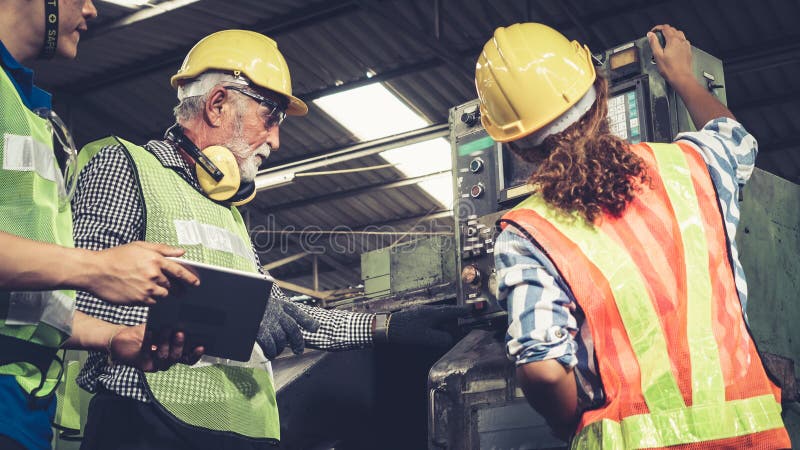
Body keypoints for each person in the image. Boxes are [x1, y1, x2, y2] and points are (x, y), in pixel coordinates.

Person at [71, 29, 467, 450]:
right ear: (218, 104)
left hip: (241, 432)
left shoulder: (227, 213)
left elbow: (286, 317)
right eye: (270, 117)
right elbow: (82, 298)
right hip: (147, 426)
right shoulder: (126, 166)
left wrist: (385, 326)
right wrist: (229, 313)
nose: (276, 141)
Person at [477, 23, 791, 448]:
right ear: (600, 95)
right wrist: (683, 77)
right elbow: (735, 138)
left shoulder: (528, 232)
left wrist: (568, 423)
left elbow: (545, 370)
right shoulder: (693, 166)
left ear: (517, 148)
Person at [0, 1, 203, 450]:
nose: (92, 10)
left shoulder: (26, 109)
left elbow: (17, 301)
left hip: (25, 405)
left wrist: (113, 337)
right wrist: (97, 267)